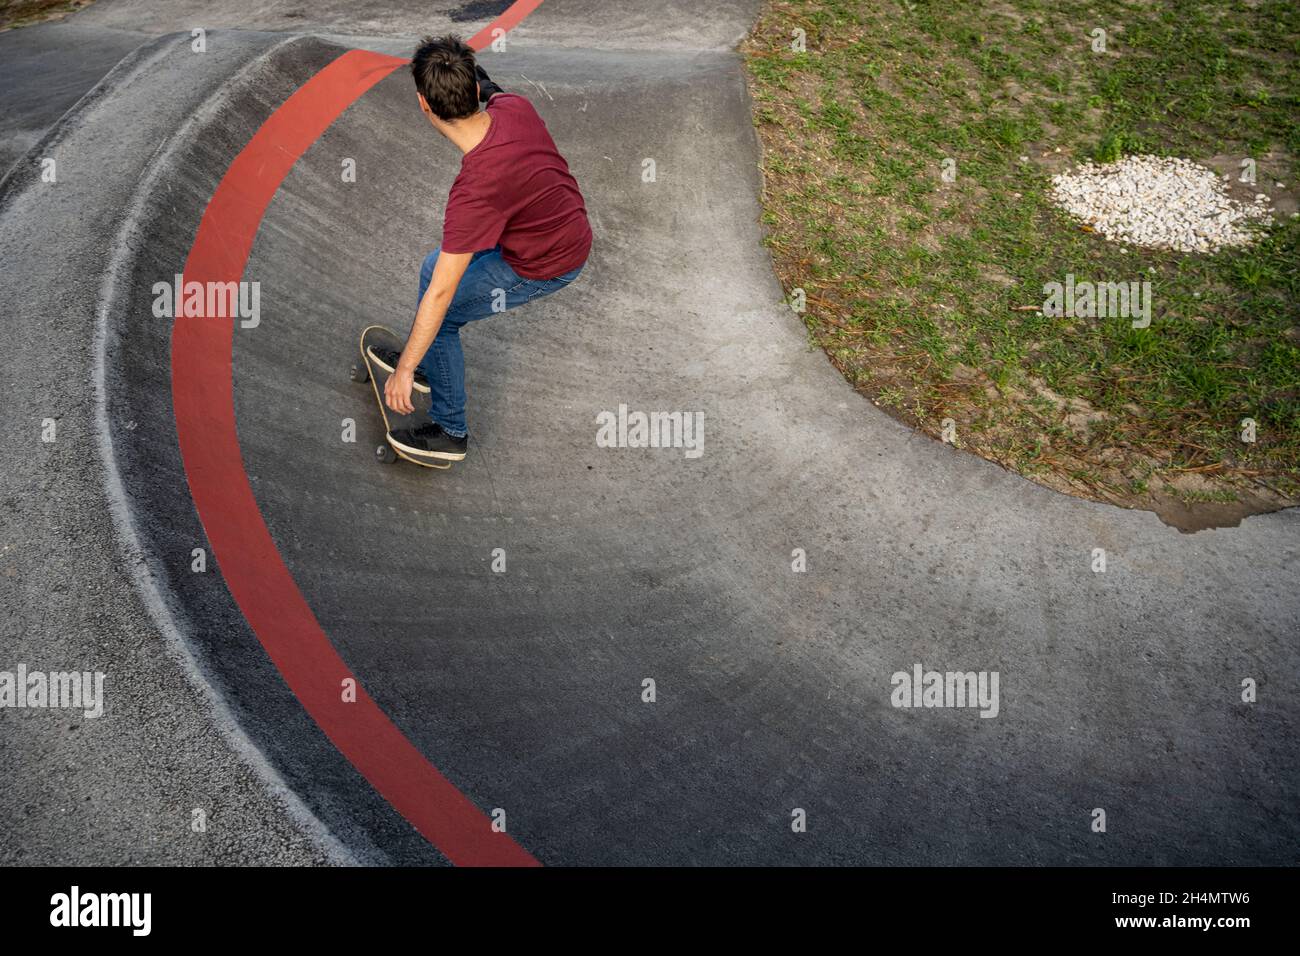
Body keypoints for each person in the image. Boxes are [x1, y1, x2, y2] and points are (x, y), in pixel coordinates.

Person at [370, 35, 592, 461]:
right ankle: (430, 364)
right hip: (555, 229)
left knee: (444, 314)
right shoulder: (515, 108)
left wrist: (400, 373)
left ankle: (450, 429)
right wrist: (457, 63)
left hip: (546, 264)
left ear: (424, 106)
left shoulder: (474, 193)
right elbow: (491, 85)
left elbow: (441, 295)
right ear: (473, 91)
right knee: (432, 266)